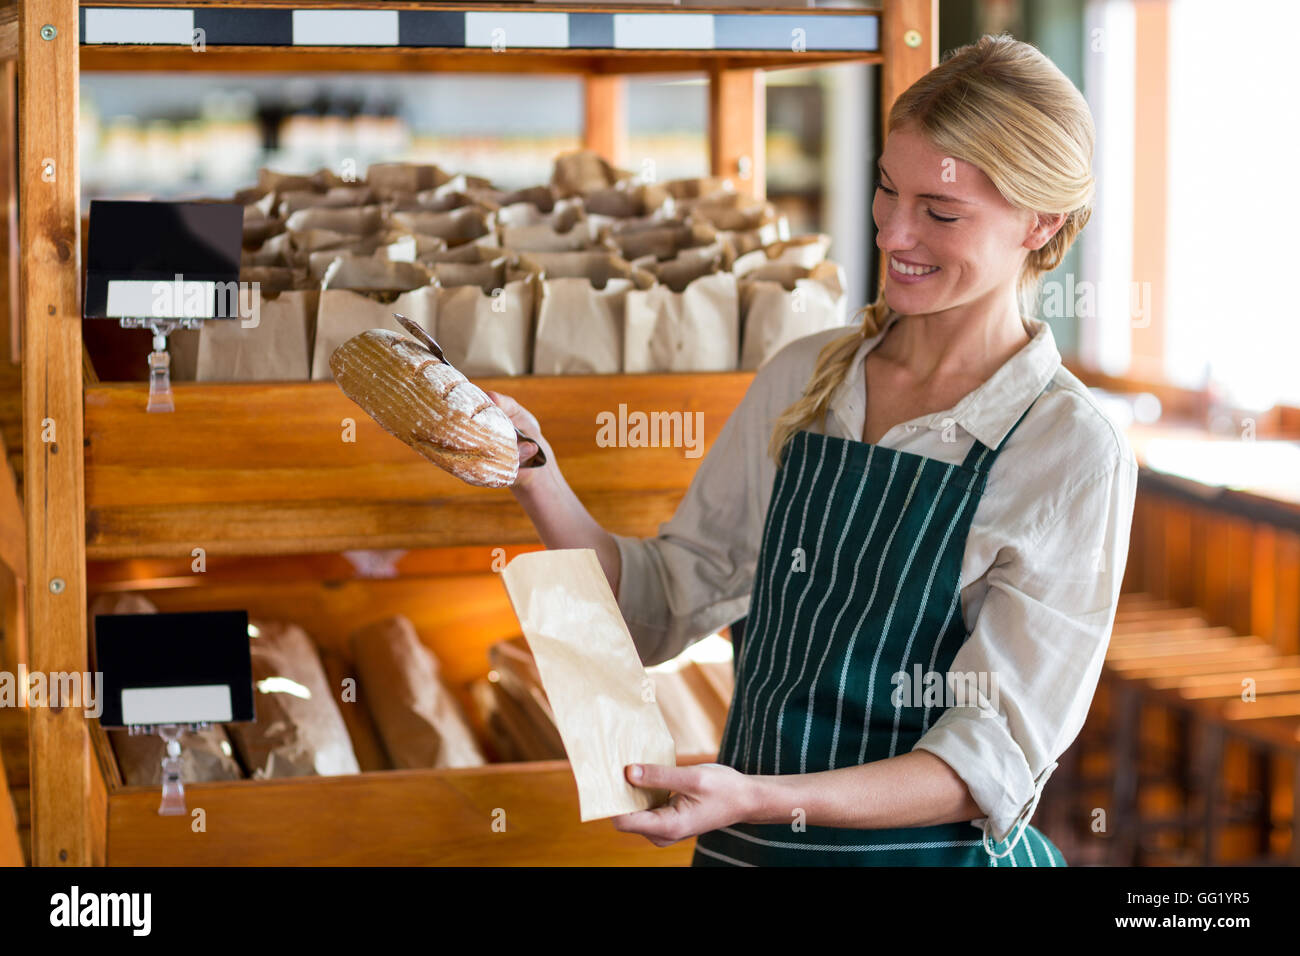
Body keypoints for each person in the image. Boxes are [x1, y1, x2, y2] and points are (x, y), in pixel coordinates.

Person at [487, 33, 1137, 866]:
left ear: (1040, 222)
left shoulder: (1069, 448)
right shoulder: (807, 378)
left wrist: (764, 798)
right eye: (886, 190)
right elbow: (657, 608)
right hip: (748, 849)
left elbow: (991, 759)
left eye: (940, 213)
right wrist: (532, 473)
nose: (895, 233)